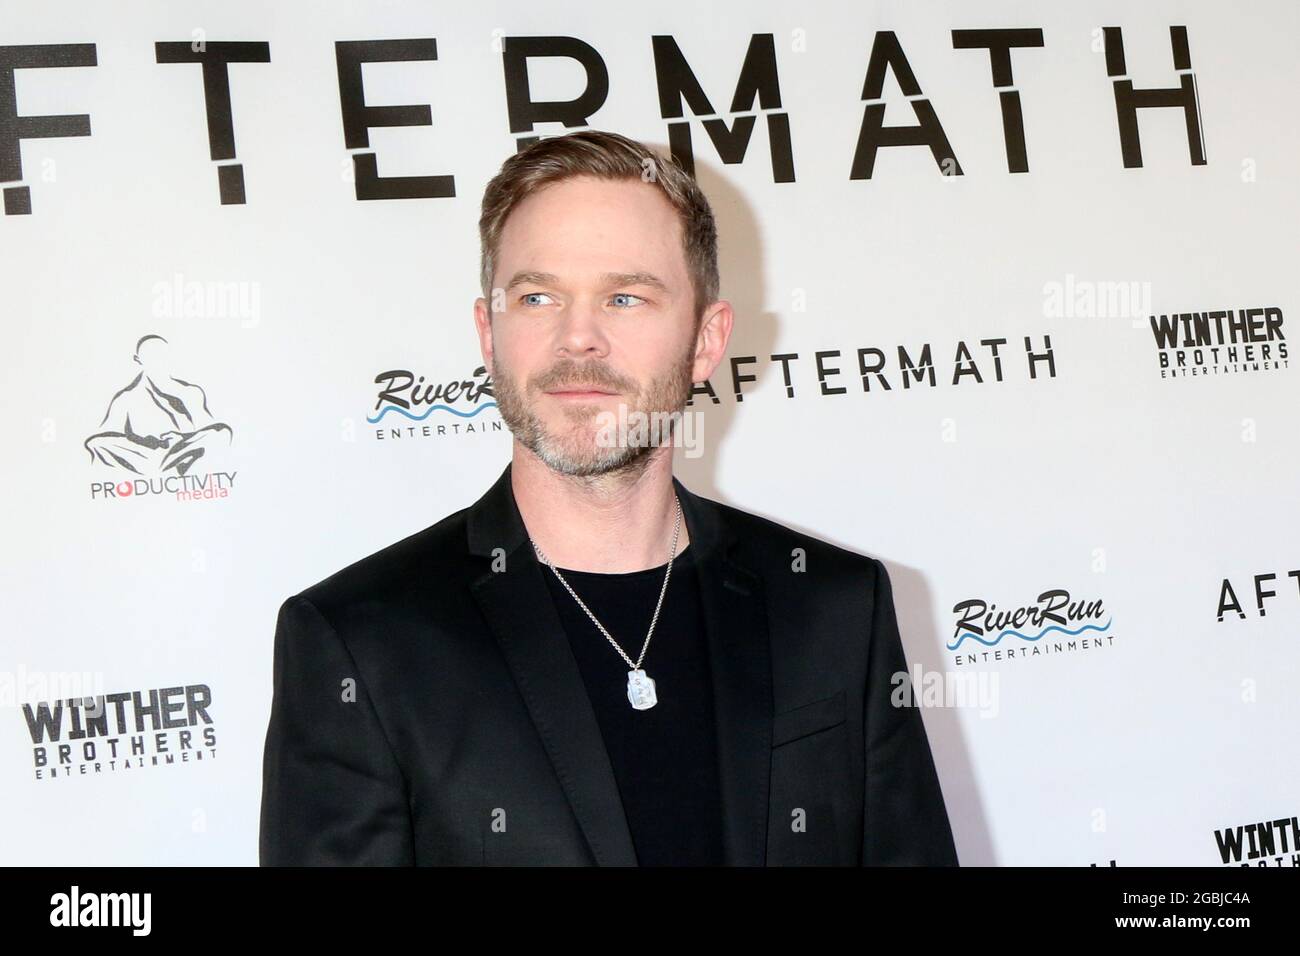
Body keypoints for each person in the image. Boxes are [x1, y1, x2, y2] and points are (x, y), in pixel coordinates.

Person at [258, 129, 958, 866]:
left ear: (706, 341)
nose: (578, 338)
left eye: (625, 297)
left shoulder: (835, 607)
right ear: (488, 334)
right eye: (537, 296)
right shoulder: (360, 642)